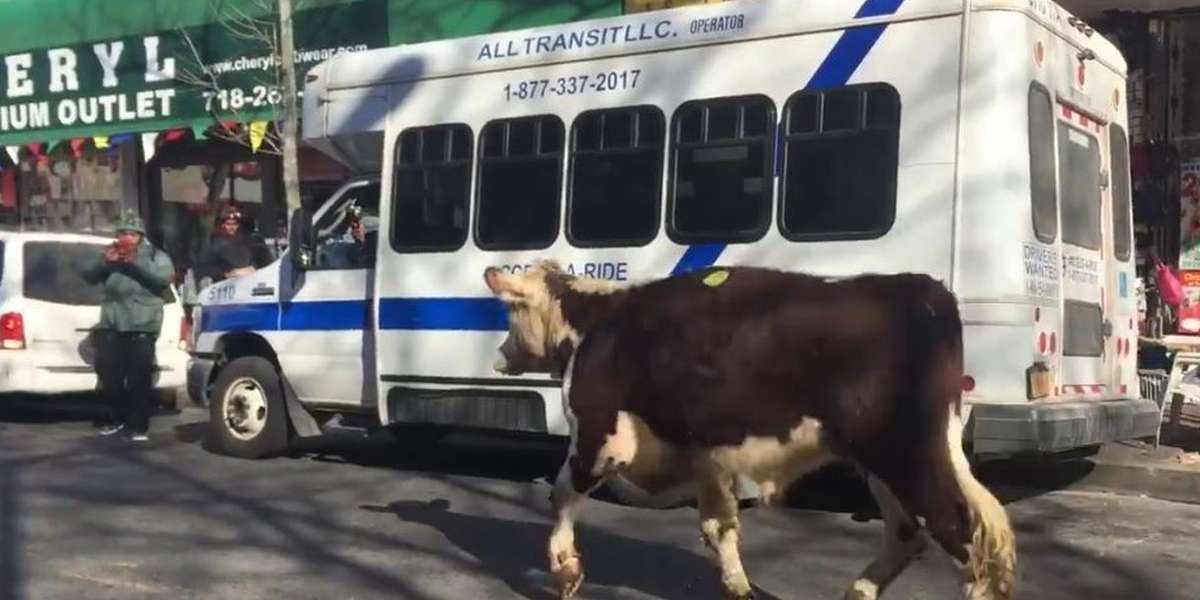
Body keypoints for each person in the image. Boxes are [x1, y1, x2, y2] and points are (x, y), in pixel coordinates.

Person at [82, 211, 175, 442]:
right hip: (112, 322)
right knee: (110, 375)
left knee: (138, 378)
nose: (126, 238)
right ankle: (117, 417)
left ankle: (139, 425)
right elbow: (88, 276)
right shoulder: (111, 252)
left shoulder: (155, 255)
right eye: (122, 233)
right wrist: (104, 261)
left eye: (131, 234)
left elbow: (162, 280)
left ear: (140, 236)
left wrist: (133, 263)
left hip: (142, 323)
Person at [196, 204, 258, 284]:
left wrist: (253, 268)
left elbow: (261, 263)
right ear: (222, 225)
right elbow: (202, 269)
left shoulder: (250, 244)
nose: (232, 227)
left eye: (235, 224)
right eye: (228, 224)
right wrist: (227, 274)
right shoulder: (211, 245)